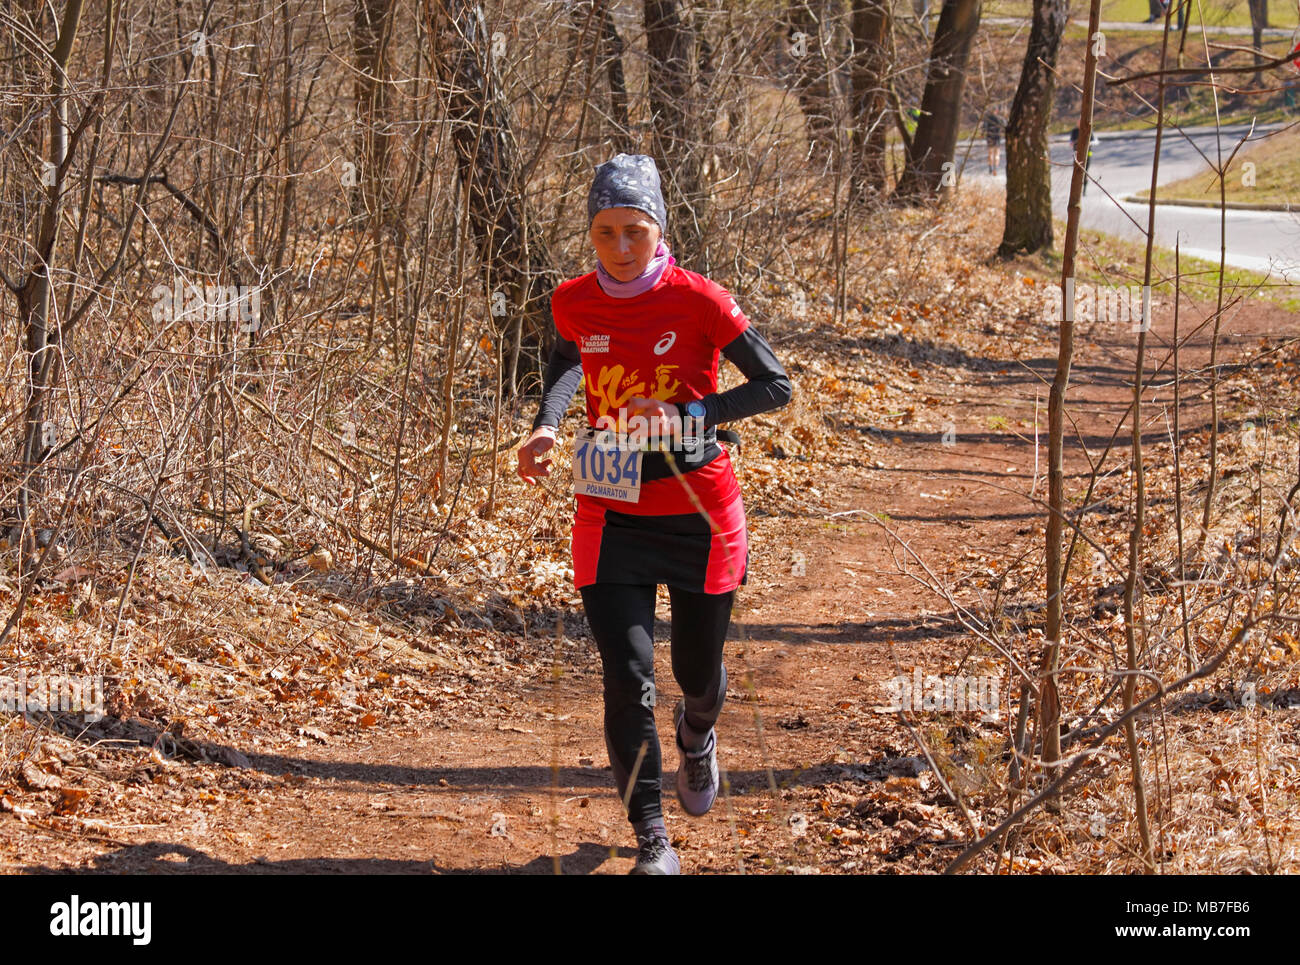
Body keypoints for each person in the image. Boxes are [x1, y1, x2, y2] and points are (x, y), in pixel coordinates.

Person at [516, 153, 793, 874]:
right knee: (627, 673)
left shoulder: (700, 300)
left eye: (634, 230)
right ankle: (653, 842)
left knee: (695, 672)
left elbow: (775, 385)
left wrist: (688, 411)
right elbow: (570, 359)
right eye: (604, 231)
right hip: (609, 509)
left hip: (699, 509)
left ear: (659, 227)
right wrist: (547, 421)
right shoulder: (573, 299)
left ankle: (697, 734)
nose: (620, 247)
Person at [1069, 126, 1098, 195]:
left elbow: (1095, 141)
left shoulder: (1089, 129)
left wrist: (1088, 143)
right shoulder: (1075, 131)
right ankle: (1076, 190)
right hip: (1077, 155)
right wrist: (1074, 143)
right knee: (1077, 172)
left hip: (1087, 155)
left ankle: (1084, 190)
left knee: (1084, 172)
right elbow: (1070, 141)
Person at [983, 110, 1004, 176]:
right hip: (997, 138)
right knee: (997, 154)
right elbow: (1003, 127)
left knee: (990, 153)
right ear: (997, 111)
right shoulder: (1000, 119)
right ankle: (995, 169)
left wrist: (983, 134)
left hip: (990, 138)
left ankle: (990, 168)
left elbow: (984, 128)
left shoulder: (987, 119)